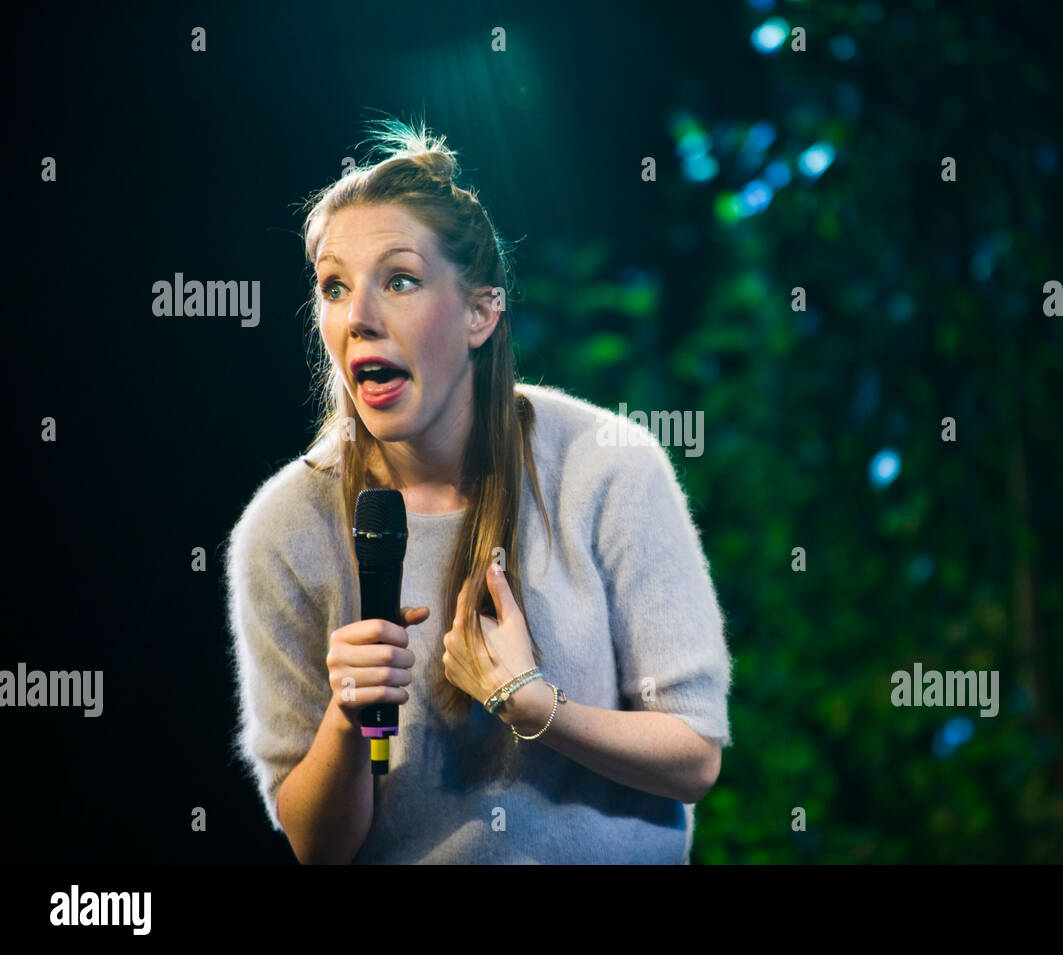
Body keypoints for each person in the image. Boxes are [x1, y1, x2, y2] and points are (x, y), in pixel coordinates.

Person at [223, 117, 732, 864]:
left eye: (399, 280)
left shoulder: (610, 468)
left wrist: (534, 704)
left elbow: (694, 755)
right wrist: (347, 715)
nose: (359, 316)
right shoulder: (283, 528)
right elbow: (316, 846)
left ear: (480, 313)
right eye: (335, 287)